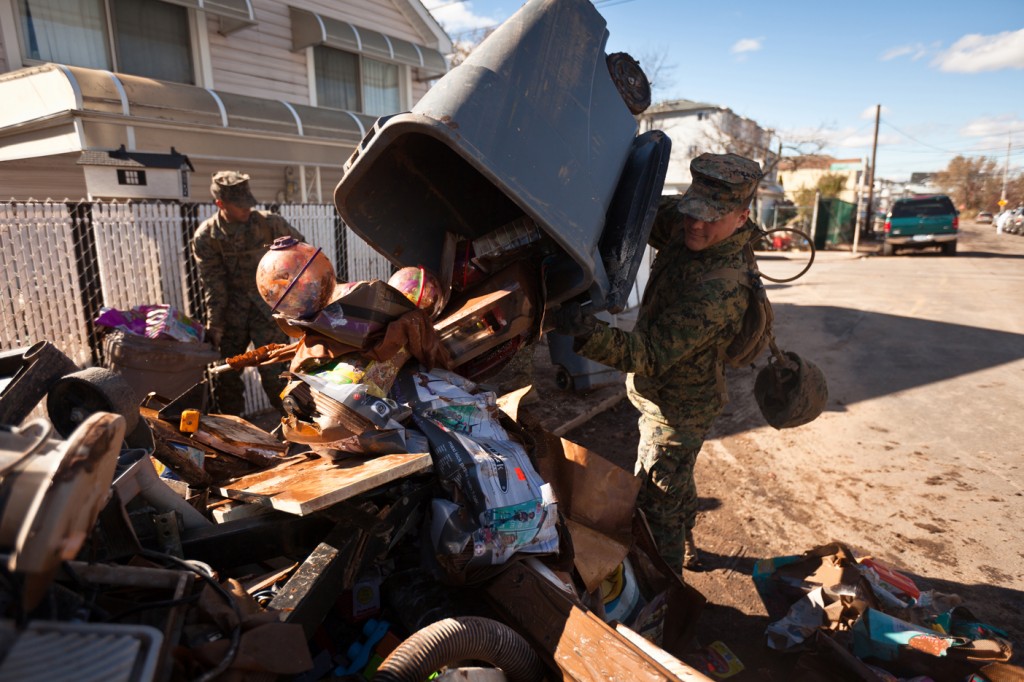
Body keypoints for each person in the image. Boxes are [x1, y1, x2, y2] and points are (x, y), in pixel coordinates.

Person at [551, 152, 763, 573]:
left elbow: (651, 354)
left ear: (741, 217)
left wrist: (585, 333)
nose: (695, 225)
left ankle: (664, 591)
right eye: (692, 211)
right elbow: (639, 208)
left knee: (654, 505)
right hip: (666, 399)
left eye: (711, 218)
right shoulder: (692, 227)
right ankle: (686, 550)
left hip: (679, 410)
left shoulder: (721, 291)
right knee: (675, 483)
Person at [191, 171, 304, 416]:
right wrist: (215, 326)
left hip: (268, 312)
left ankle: (297, 427)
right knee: (226, 377)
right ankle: (234, 434)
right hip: (233, 316)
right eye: (239, 205)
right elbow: (213, 283)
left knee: (276, 376)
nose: (247, 209)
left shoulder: (270, 224)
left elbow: (302, 255)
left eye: (248, 204)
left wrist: (294, 297)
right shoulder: (207, 238)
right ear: (220, 204)